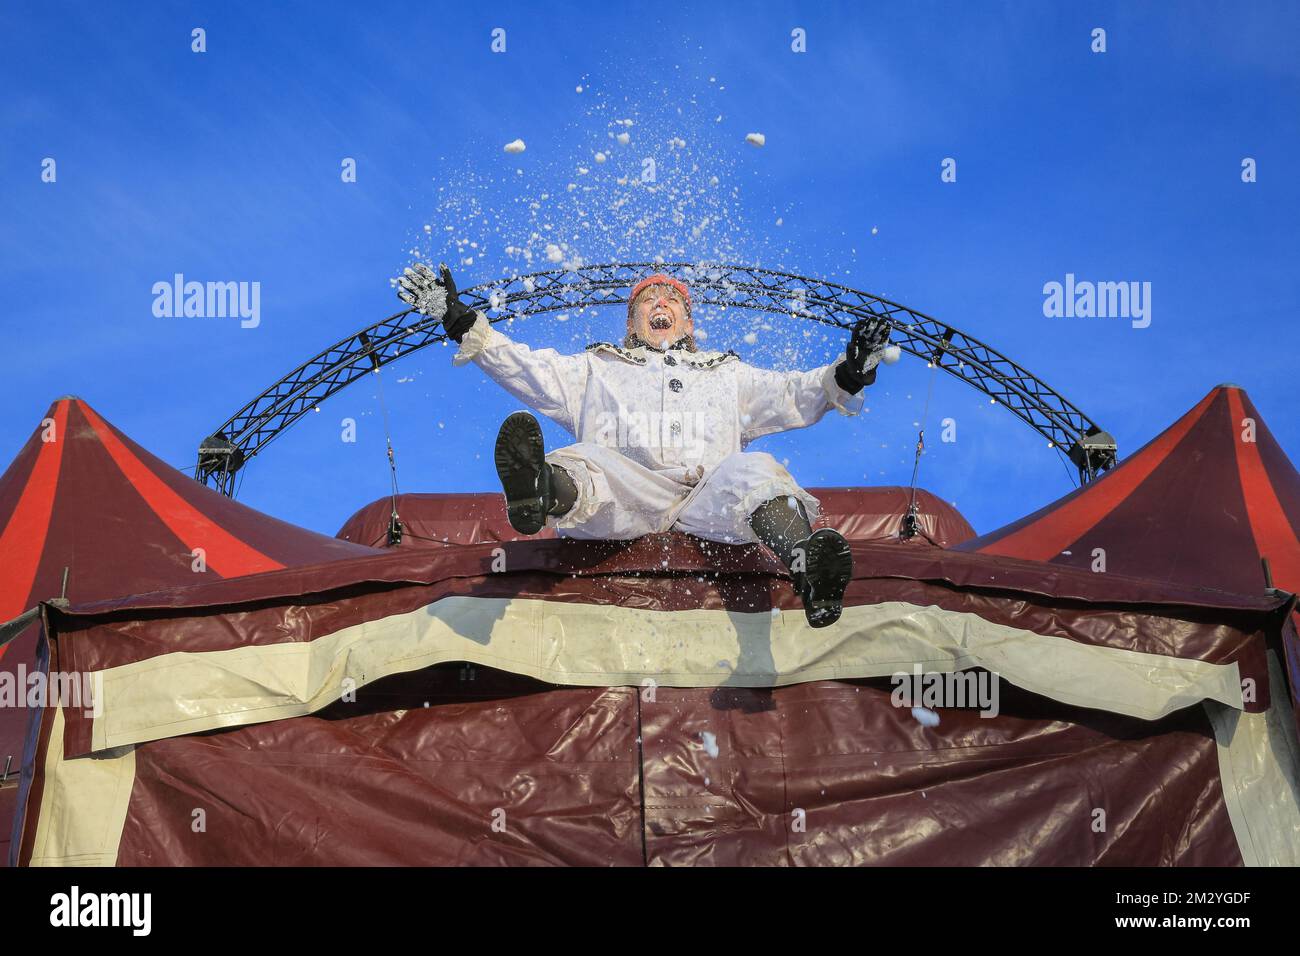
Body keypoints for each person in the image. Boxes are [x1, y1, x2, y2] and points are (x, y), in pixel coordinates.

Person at [398, 264, 891, 627]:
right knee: (588, 459)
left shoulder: (726, 373)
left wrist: (850, 369)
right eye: (648, 301)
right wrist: (458, 318)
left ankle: (810, 566)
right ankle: (539, 493)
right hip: (626, 496)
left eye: (672, 300)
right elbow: (526, 366)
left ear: (689, 323)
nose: (661, 304)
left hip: (706, 498)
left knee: (755, 468)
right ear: (632, 323)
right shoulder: (596, 367)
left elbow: (794, 395)